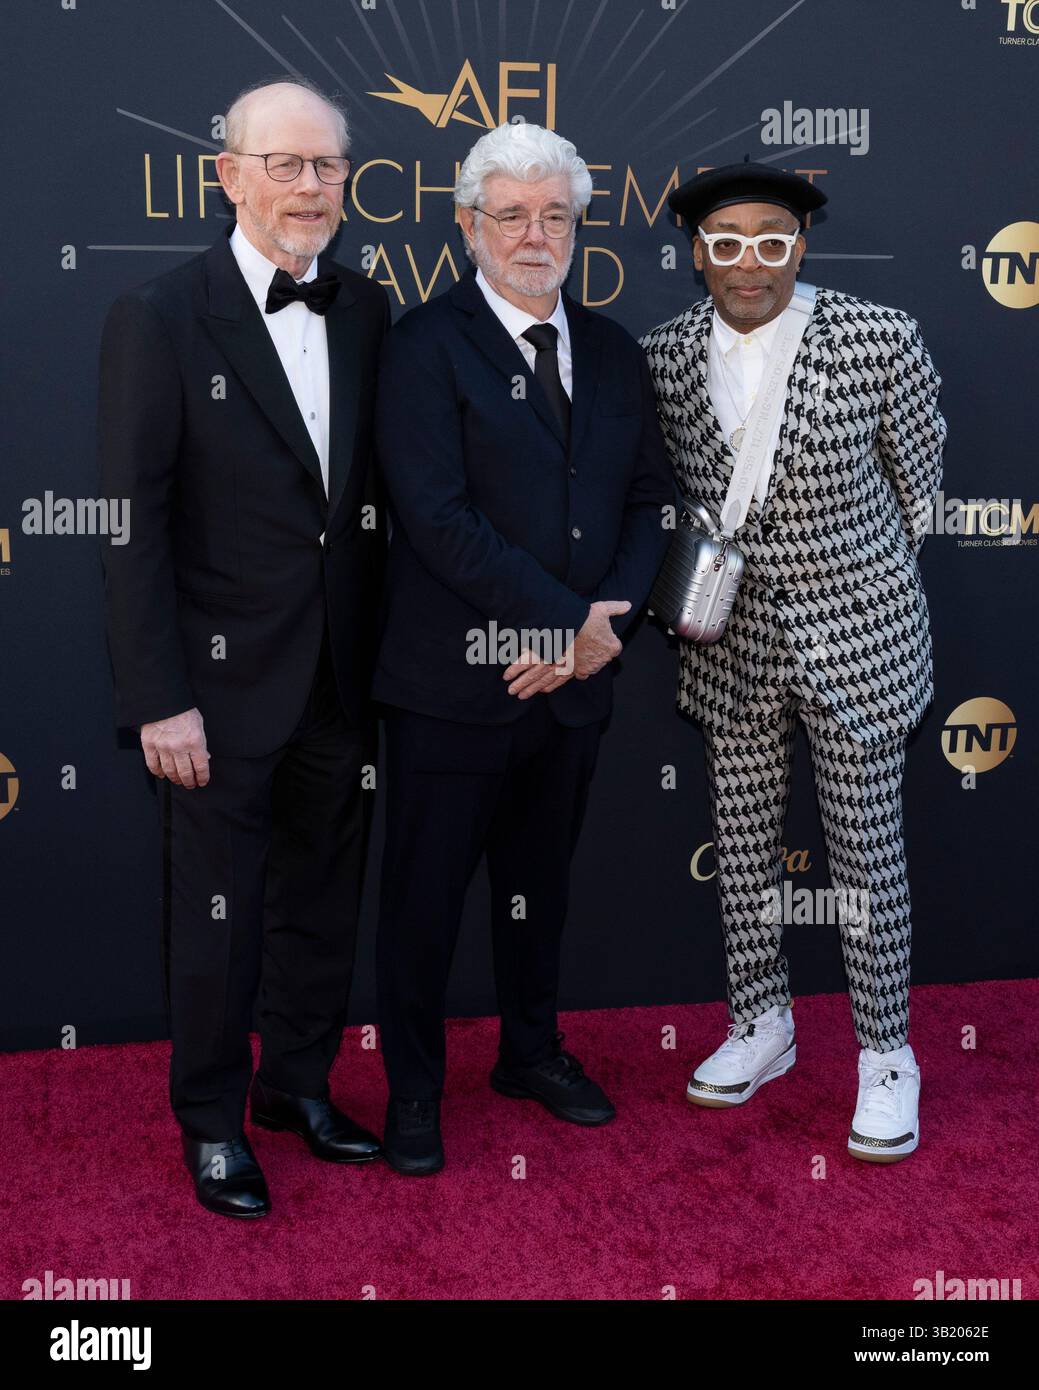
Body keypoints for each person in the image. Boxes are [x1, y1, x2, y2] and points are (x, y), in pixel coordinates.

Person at [99, 78, 390, 1217]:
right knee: (218, 916)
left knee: (322, 901)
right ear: (228, 173)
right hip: (213, 691)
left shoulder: (366, 311)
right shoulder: (160, 316)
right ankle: (213, 1121)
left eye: (326, 167)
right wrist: (158, 698)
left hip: (339, 679)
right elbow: (132, 525)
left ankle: (298, 1088)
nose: (310, 187)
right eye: (286, 165)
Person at [373, 121, 674, 1175]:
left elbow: (647, 506)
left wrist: (607, 628)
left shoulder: (615, 350)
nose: (533, 233)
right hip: (453, 686)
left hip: (574, 686)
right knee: (422, 901)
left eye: (554, 213)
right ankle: (413, 1089)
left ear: (580, 224)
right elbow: (437, 517)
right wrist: (566, 622)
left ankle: (530, 1052)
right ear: (467, 226)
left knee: (537, 889)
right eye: (510, 214)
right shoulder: (419, 347)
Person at [640, 162, 945, 1163]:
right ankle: (761, 1022)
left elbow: (918, 490)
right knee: (740, 843)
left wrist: (845, 587)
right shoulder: (668, 355)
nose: (748, 261)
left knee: (866, 853)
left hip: (856, 641)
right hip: (731, 645)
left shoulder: (875, 337)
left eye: (770, 238)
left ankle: (886, 1056)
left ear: (798, 246)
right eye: (725, 241)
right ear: (697, 253)